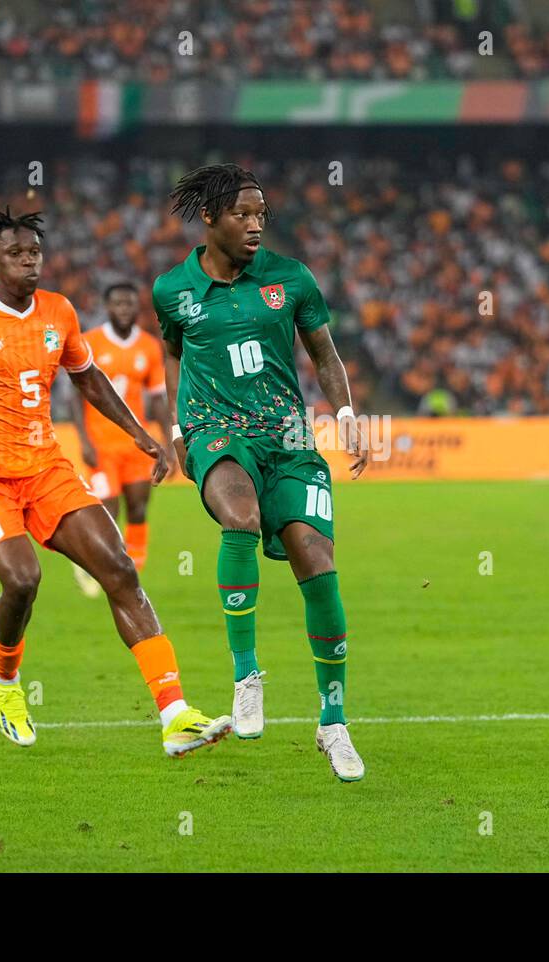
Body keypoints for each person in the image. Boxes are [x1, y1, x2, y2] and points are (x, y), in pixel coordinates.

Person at [0, 207, 230, 756]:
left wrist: (140, 433)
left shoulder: (59, 312)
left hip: (47, 469)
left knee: (119, 568)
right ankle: (4, 682)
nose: (30, 261)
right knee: (23, 581)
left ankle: (174, 713)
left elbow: (88, 377)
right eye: (18, 254)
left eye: (36, 253)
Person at [154, 164, 370, 781]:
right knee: (240, 517)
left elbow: (324, 354)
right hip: (215, 428)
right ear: (210, 218)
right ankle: (246, 677)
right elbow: (173, 354)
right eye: (242, 215)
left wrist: (347, 413)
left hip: (289, 436)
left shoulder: (292, 278)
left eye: (261, 216)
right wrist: (177, 427)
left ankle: (334, 723)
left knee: (316, 559)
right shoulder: (172, 289)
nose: (255, 226)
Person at [71, 281, 172, 596]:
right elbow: (76, 397)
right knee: (108, 510)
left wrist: (168, 442)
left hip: (136, 444)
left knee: (139, 508)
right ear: (107, 306)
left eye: (130, 304)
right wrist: (84, 441)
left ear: (137, 307)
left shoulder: (150, 347)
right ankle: (91, 564)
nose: (124, 309)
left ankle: (133, 574)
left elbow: (158, 399)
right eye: (118, 304)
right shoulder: (90, 343)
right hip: (101, 445)